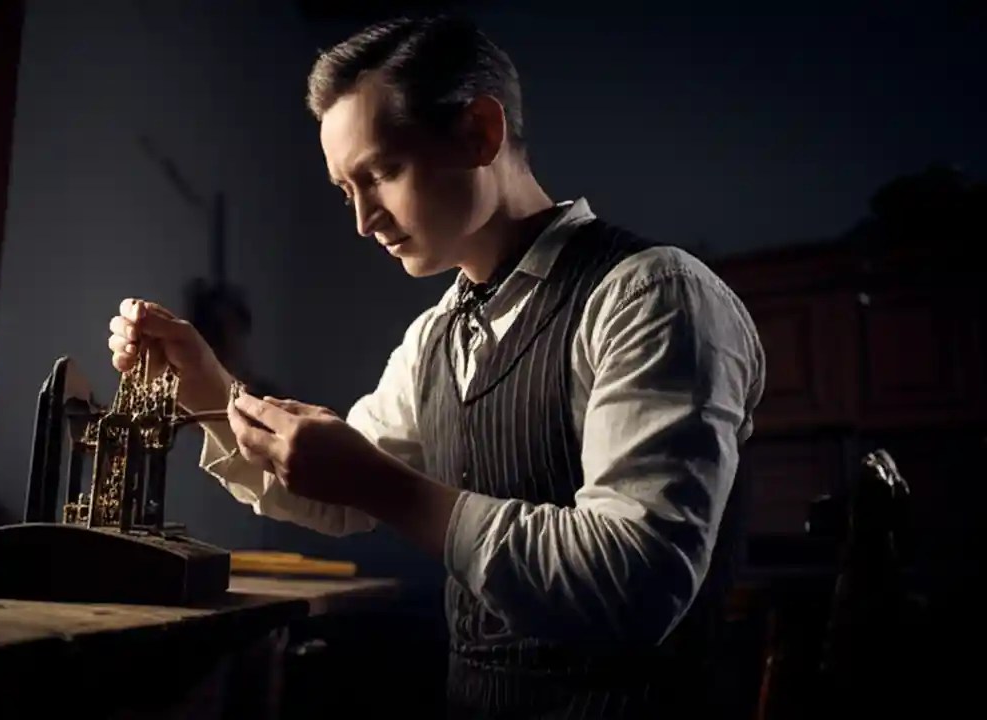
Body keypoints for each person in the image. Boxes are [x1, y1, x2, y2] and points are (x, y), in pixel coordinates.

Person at [108, 13, 765, 719]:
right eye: (344, 190)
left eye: (382, 172)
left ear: (480, 132)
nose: (363, 221)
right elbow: (336, 493)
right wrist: (209, 387)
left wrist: (383, 485)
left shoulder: (654, 295)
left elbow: (632, 586)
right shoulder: (433, 338)